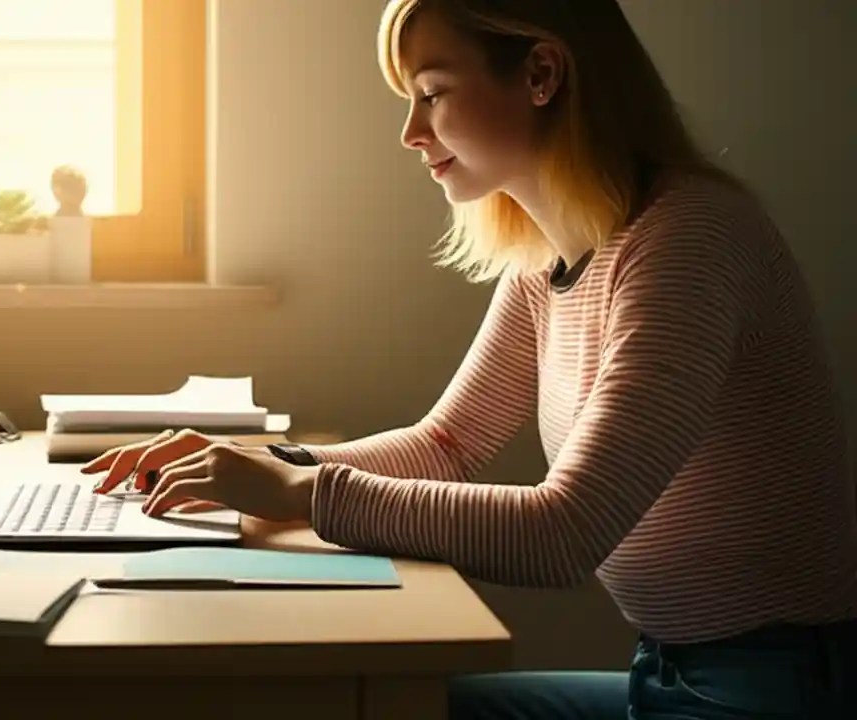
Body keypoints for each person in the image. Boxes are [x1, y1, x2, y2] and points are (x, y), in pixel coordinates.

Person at [83, 0, 856, 717]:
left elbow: (564, 532)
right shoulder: (550, 255)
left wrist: (300, 491)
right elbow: (447, 445)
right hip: (665, 671)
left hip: (772, 688)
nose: (411, 133)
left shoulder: (688, 241)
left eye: (432, 92)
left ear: (543, 75)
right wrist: (258, 464)